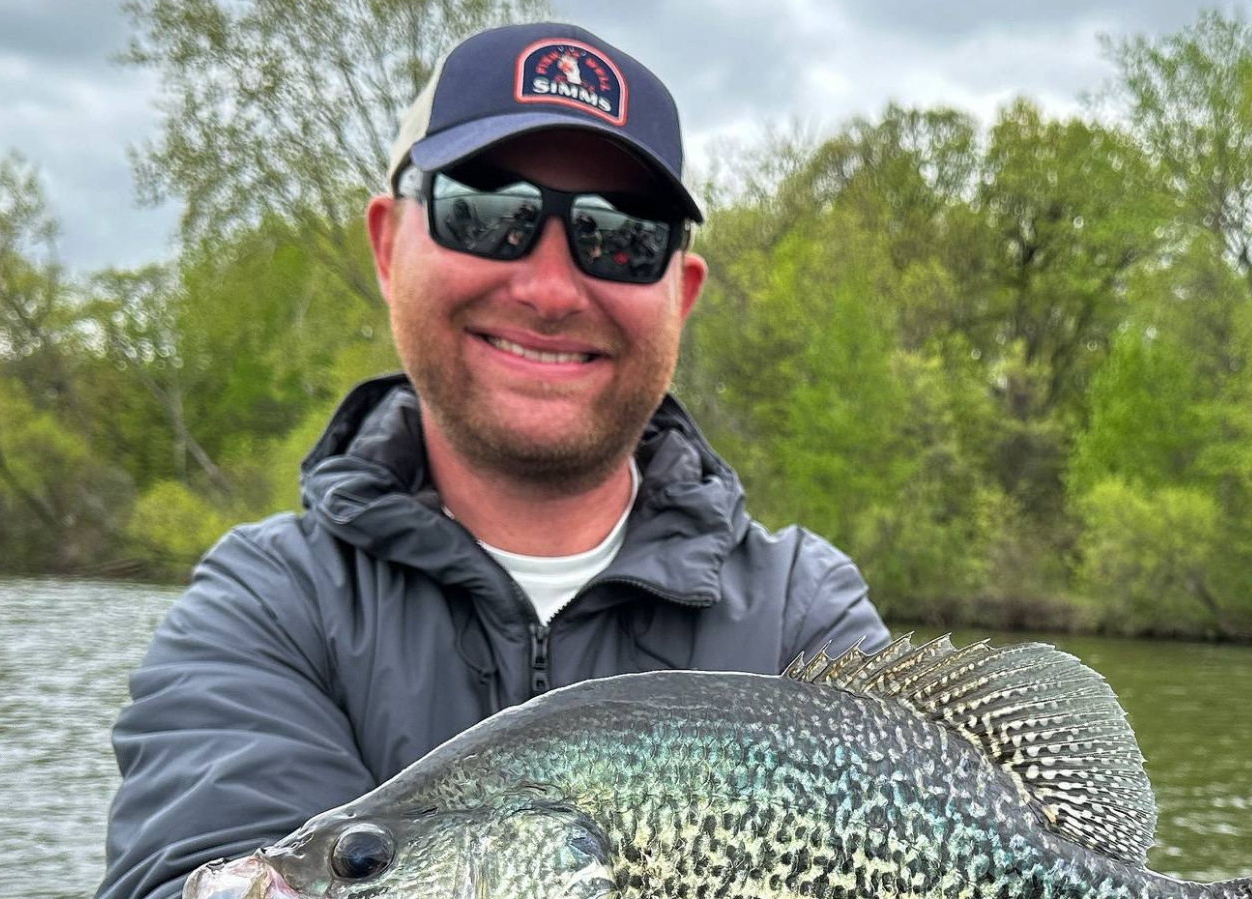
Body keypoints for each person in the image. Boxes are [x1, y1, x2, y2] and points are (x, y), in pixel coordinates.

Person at [96, 22, 888, 899]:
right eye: (485, 211)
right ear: (389, 246)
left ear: (682, 293)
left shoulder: (801, 615)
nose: (549, 289)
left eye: (619, 236)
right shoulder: (267, 608)